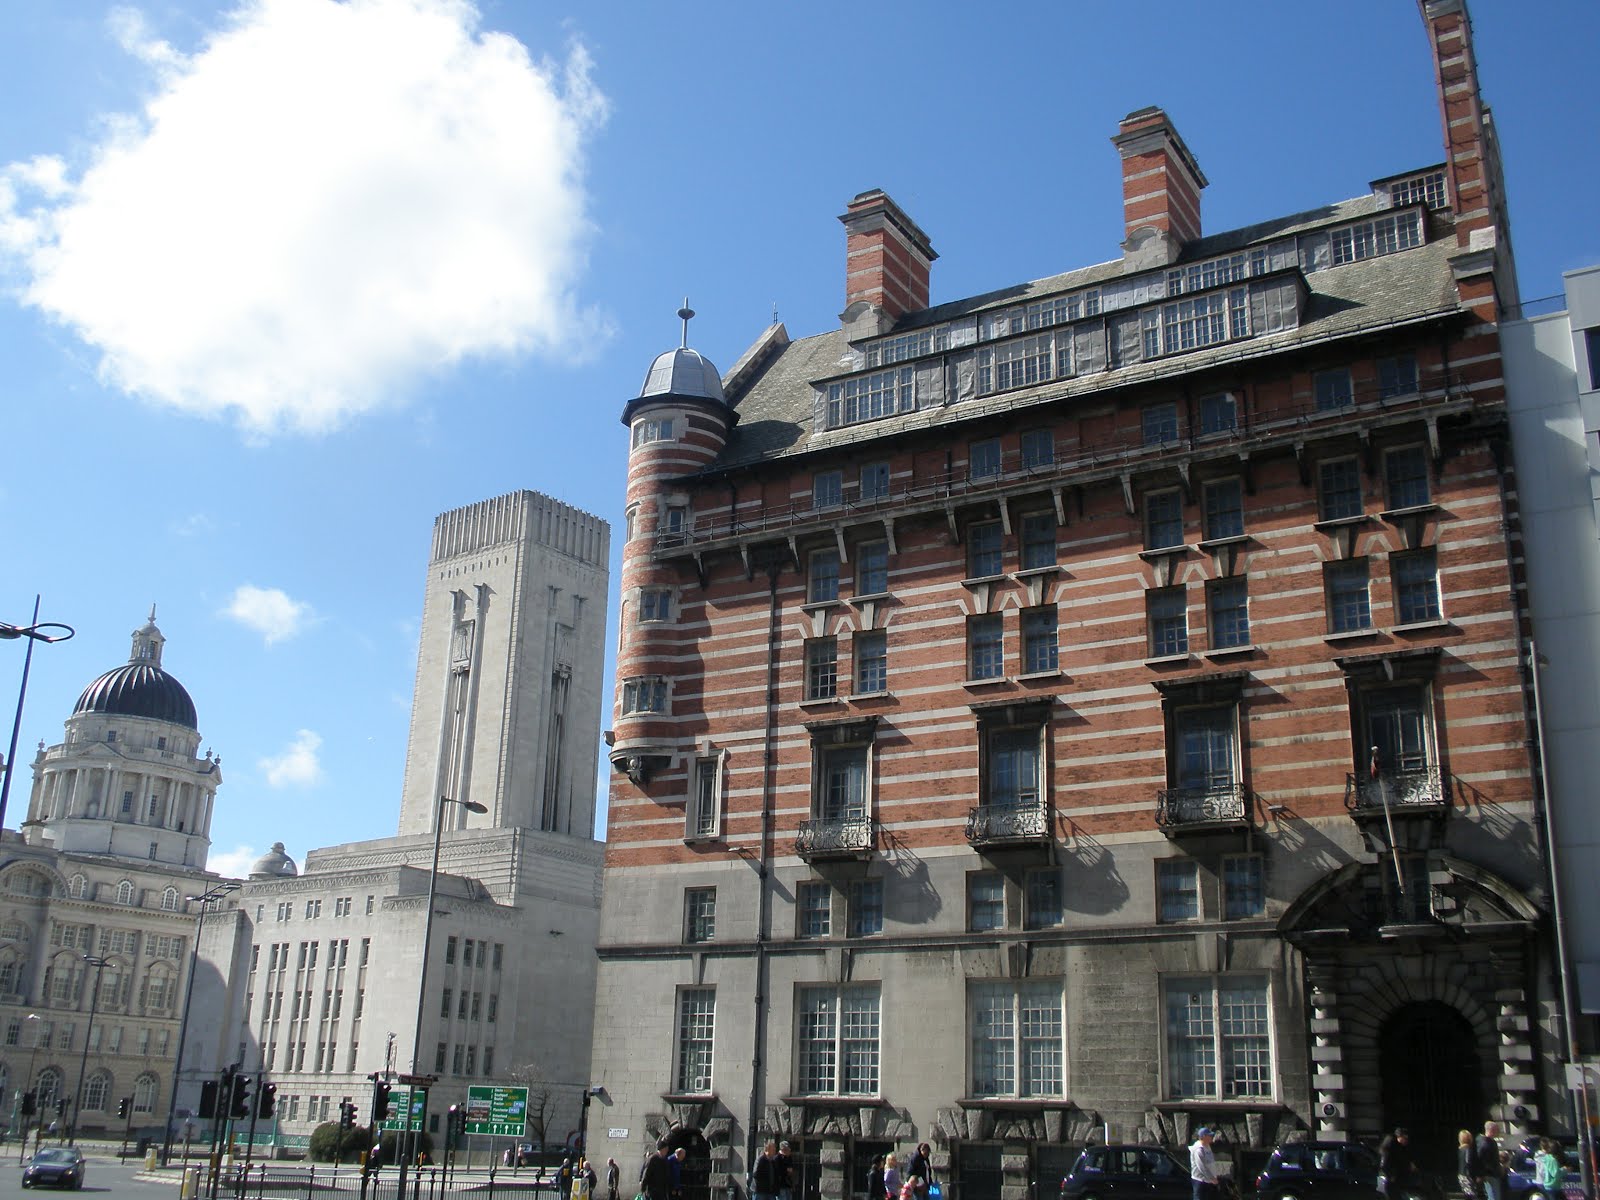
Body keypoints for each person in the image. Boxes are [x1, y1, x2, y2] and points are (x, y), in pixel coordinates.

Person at [1379, 1128, 1417, 1200]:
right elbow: (1385, 1165)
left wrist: (1410, 1163)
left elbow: (1404, 1157)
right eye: (1404, 1138)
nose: (1406, 1140)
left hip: (1396, 1177)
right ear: (1399, 1137)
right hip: (1389, 1178)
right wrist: (1391, 1175)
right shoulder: (1389, 1150)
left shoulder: (1400, 1146)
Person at [1474, 1122, 1504, 1200]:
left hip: (1492, 1173)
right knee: (1494, 1196)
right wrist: (1481, 1174)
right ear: (1492, 1130)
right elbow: (1480, 1159)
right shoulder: (1485, 1144)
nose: (1499, 1132)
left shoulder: (1483, 1140)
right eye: (1497, 1130)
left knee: (1492, 1195)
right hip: (1490, 1174)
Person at [1190, 1128, 1220, 1200]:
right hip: (1200, 1181)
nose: (1211, 1137)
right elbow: (1202, 1167)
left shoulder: (1207, 1146)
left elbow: (1210, 1162)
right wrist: (1212, 1178)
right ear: (1204, 1137)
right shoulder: (1199, 1149)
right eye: (1209, 1136)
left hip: (1208, 1180)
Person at [1457, 1130, 1478, 1199]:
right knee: (1471, 1196)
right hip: (1468, 1176)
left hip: (1461, 1175)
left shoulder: (1460, 1149)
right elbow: (1468, 1162)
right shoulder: (1468, 1149)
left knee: (1467, 1196)